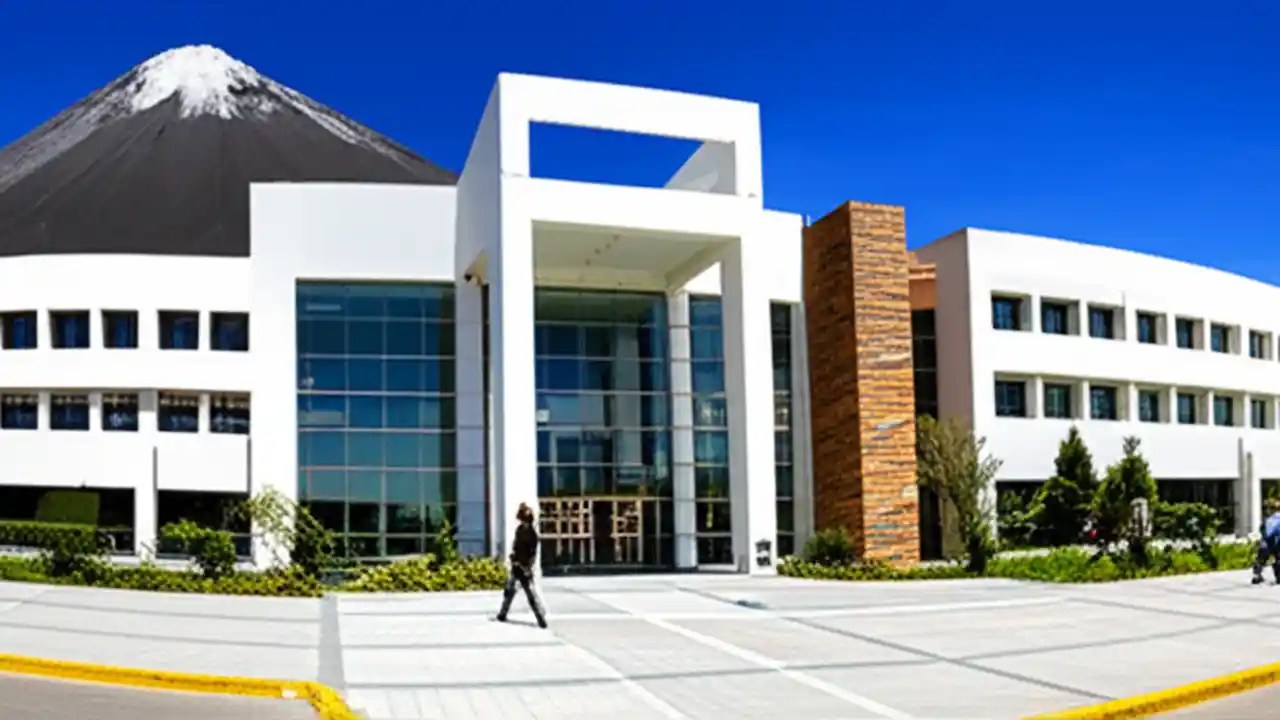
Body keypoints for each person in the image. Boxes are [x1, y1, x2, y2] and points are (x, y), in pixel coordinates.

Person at [496, 502, 548, 628]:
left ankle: (540, 617)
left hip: (525, 567)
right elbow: (515, 545)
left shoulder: (532, 535)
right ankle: (503, 613)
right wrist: (513, 557)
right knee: (510, 590)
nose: (522, 523)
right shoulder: (519, 530)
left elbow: (533, 554)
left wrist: (528, 566)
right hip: (517, 565)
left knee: (531, 594)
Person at [1251, 501, 1280, 585]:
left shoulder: (1267, 520)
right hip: (1277, 542)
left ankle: (1257, 575)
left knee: (1260, 559)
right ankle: (1278, 576)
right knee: (1278, 558)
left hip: (1266, 542)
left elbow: (1262, 530)